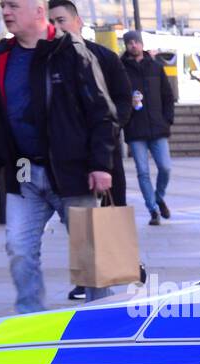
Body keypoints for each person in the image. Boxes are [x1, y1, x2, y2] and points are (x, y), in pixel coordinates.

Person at [0, 0, 116, 315]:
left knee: (91, 254)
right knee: (20, 249)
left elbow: (102, 113)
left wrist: (100, 164)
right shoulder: (2, 56)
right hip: (24, 172)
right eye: (2, 6)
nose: (6, 12)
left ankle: (100, 318)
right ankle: (30, 318)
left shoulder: (72, 53)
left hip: (71, 172)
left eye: (13, 5)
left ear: (39, 11)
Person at [47, 0, 132, 300]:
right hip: (67, 155)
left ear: (78, 21)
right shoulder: (49, 60)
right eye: (51, 21)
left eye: (61, 20)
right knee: (78, 221)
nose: (56, 27)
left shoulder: (104, 57)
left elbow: (123, 100)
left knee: (107, 214)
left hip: (104, 148)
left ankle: (111, 273)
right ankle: (90, 280)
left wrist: (111, 126)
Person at [120, 30, 174, 227]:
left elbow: (168, 96)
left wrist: (167, 119)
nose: (133, 45)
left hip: (158, 127)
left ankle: (159, 198)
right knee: (142, 172)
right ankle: (153, 209)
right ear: (126, 46)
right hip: (135, 130)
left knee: (165, 168)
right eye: (130, 43)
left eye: (136, 42)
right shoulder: (121, 68)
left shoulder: (156, 67)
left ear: (142, 44)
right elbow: (117, 96)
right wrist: (128, 110)